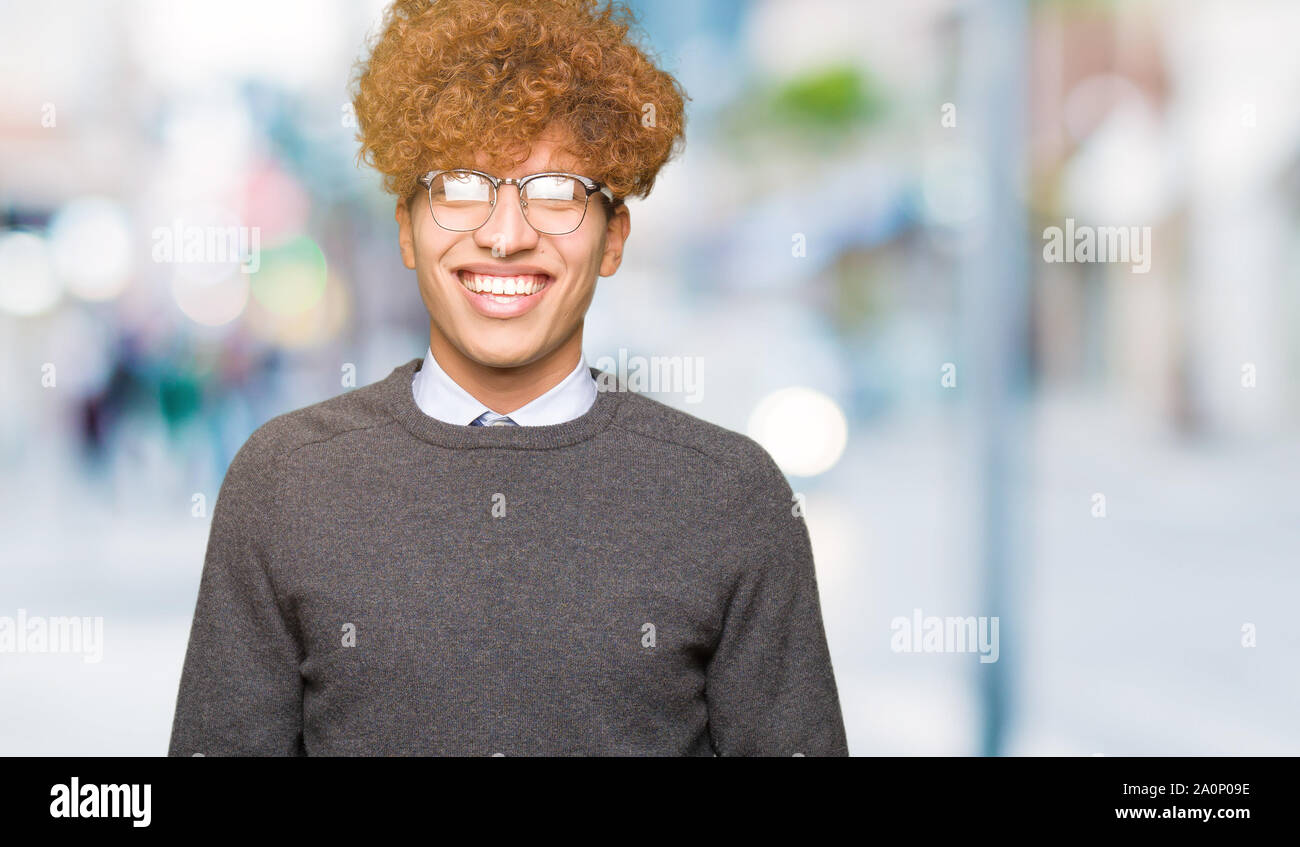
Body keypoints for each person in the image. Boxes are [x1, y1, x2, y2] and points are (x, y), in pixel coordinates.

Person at [167, 0, 848, 756]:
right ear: (405, 226)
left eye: (557, 193)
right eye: (461, 186)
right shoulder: (284, 481)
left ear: (614, 237)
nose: (504, 233)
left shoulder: (732, 496)